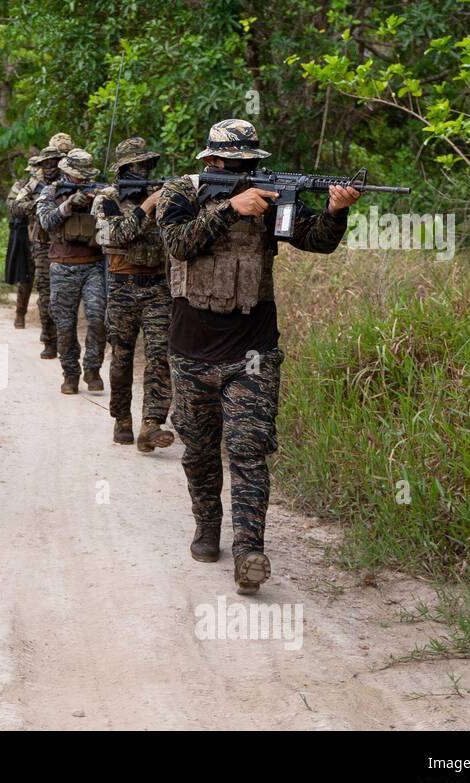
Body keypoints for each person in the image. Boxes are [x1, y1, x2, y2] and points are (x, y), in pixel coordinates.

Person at [155, 119, 360, 594]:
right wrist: (229, 208)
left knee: (248, 450)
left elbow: (316, 240)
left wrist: (335, 211)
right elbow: (178, 244)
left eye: (252, 164)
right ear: (212, 162)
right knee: (201, 450)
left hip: (253, 350)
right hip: (191, 350)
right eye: (237, 164)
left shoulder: (271, 198)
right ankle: (207, 526)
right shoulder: (178, 193)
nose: (247, 172)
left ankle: (250, 551)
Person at [91, 137, 176, 452]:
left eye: (146, 165)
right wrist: (147, 206)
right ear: (124, 168)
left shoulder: (161, 196)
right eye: (136, 165)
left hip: (156, 285)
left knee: (159, 355)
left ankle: (151, 423)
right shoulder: (107, 198)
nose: (142, 170)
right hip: (122, 284)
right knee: (123, 356)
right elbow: (113, 235)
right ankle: (122, 417)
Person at [36, 147, 106, 394]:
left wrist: (100, 201)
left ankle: (92, 368)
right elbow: (45, 222)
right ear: (67, 173)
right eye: (79, 175)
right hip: (63, 266)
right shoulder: (51, 191)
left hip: (94, 265)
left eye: (86, 176)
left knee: (98, 318)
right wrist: (67, 206)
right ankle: (70, 374)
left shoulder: (99, 190)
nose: (83, 180)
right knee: (65, 325)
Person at [7, 132, 71, 357]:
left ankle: (66, 342)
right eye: (47, 163)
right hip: (42, 244)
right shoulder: (34, 184)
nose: (51, 167)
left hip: (70, 243)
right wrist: (39, 205)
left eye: (55, 162)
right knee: (45, 293)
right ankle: (49, 339)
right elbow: (14, 206)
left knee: (64, 296)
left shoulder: (71, 181)